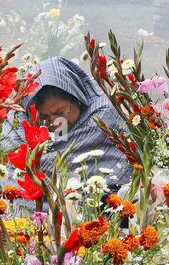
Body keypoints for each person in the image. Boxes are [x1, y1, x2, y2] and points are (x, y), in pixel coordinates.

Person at [24, 57, 129, 187]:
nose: (56, 123)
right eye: (44, 117)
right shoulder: (20, 128)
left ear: (77, 97)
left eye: (60, 113)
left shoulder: (103, 116)